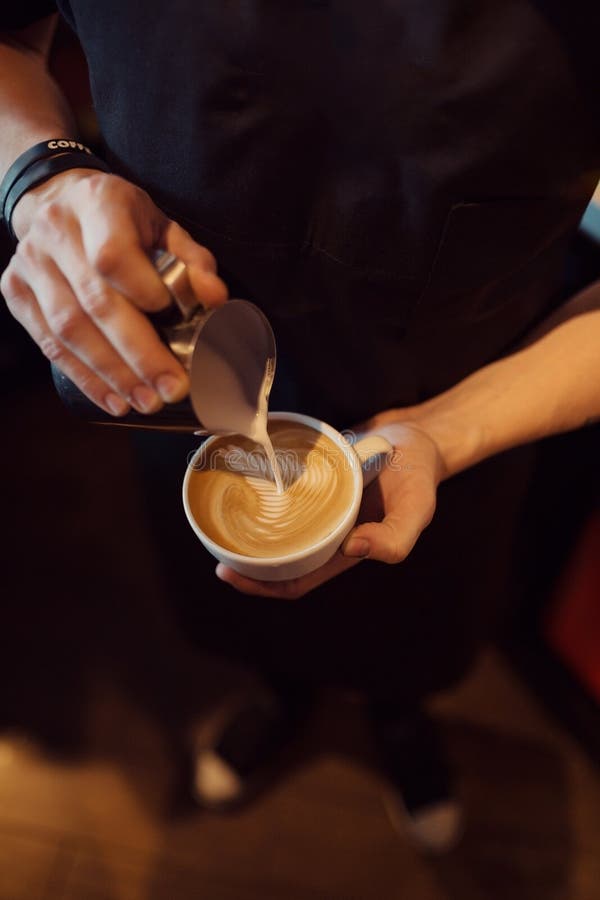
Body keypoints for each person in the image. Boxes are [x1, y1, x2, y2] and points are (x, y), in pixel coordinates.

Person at [1, 2, 599, 854]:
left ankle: (400, 721)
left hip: (468, 405)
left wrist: (450, 432)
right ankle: (280, 694)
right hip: (190, 386)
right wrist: (41, 176)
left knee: (410, 629)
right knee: (249, 607)